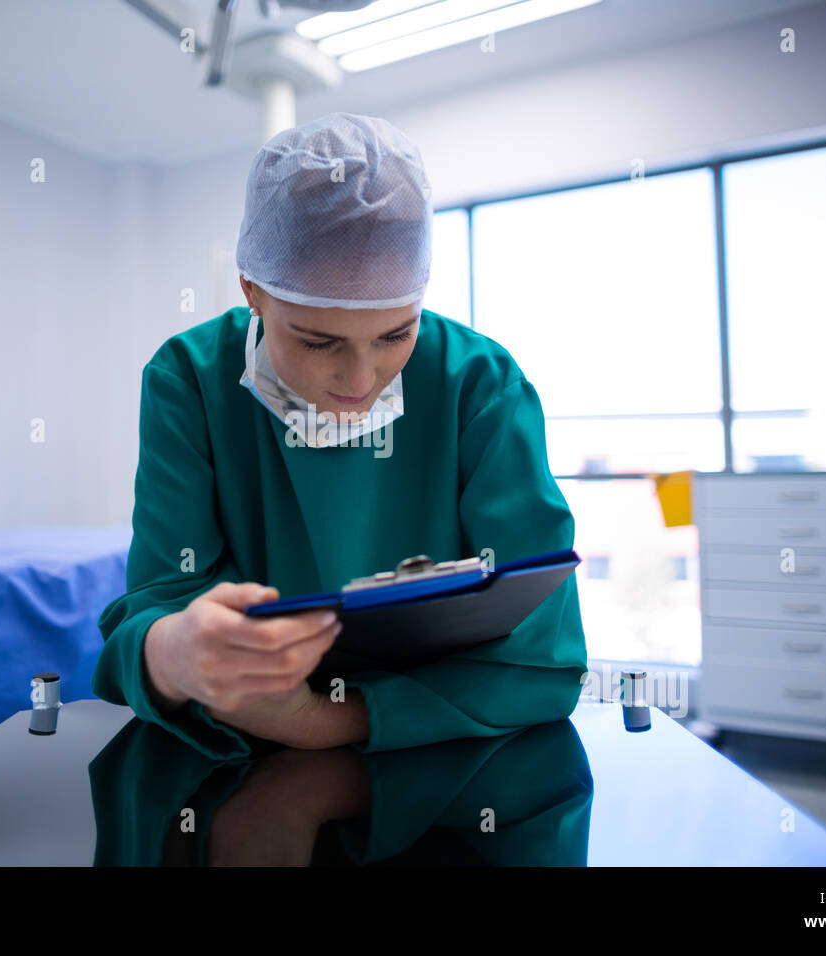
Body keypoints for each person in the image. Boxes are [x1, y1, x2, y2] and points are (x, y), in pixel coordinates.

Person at [92, 112, 586, 759]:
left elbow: (542, 655)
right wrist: (173, 654)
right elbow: (157, 603)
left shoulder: (481, 384)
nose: (359, 380)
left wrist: (320, 720)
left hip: (444, 774)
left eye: (394, 335)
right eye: (318, 340)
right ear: (254, 292)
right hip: (238, 761)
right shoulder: (188, 379)